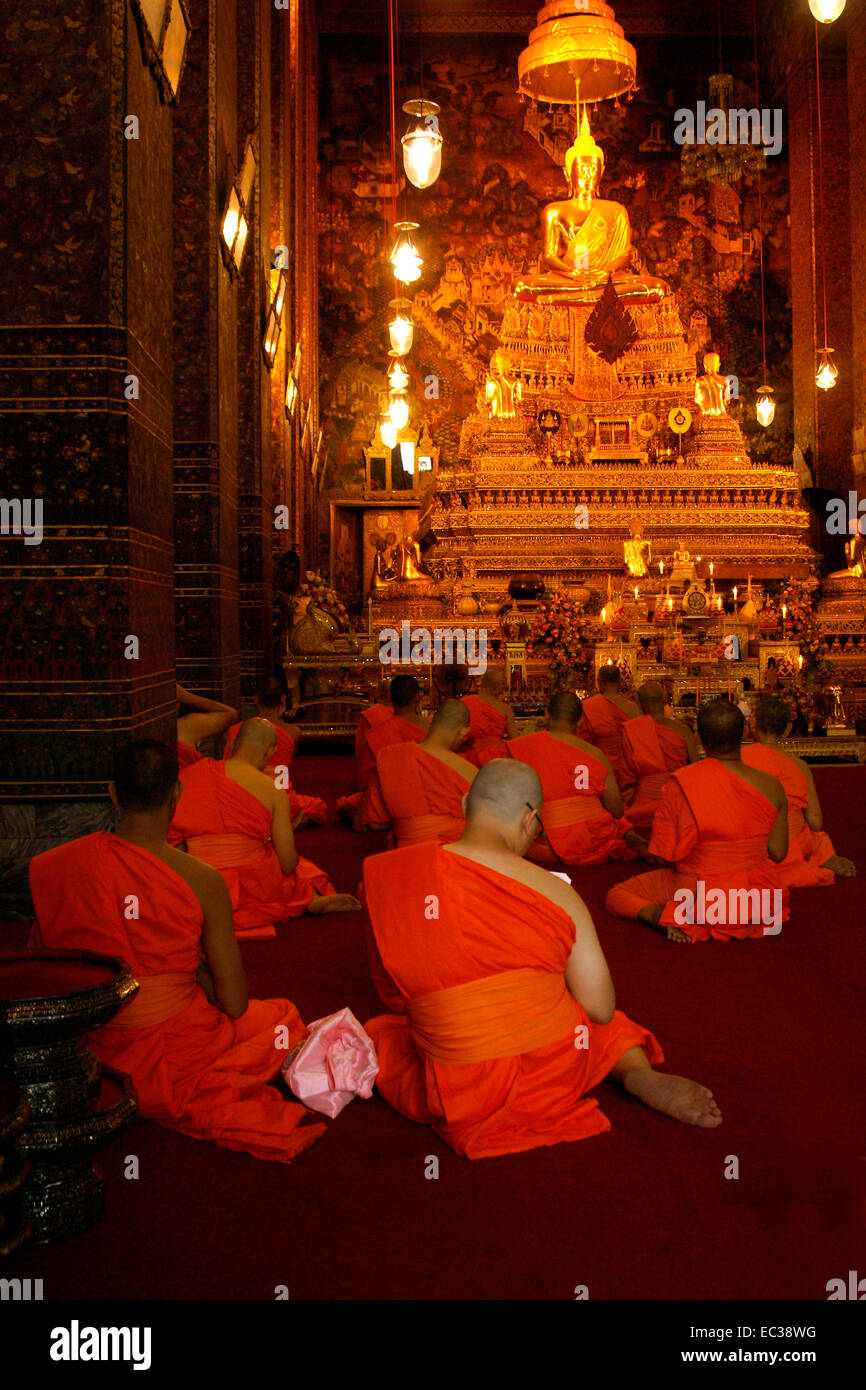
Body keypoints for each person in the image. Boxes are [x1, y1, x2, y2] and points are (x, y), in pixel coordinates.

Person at [362, 759, 722, 1159]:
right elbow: (600, 1010)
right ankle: (636, 1074)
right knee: (602, 1021)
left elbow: (396, 993)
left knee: (386, 1032)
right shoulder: (558, 893)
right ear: (531, 819)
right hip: (550, 1074)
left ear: (465, 804)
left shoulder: (396, 876)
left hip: (452, 1085)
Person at [28, 741, 326, 1163]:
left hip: (94, 1046)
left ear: (112, 793)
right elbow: (235, 1003)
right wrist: (197, 975)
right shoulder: (202, 880)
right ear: (176, 796)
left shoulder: (59, 865)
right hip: (182, 1046)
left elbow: (46, 973)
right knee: (282, 1018)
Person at [605, 701, 790, 943]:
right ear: (745, 733)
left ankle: (658, 915)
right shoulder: (772, 785)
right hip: (756, 899)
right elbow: (778, 853)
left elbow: (668, 856)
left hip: (698, 894)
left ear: (699, 738)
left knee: (617, 895)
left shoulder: (682, 783)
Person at [170, 719, 359, 937]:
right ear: (270, 751)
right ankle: (310, 899)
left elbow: (174, 840)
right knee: (300, 868)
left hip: (200, 879)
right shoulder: (272, 789)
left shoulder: (190, 776)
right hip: (255, 884)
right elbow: (287, 863)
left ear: (231, 743)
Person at [508, 693, 644, 865]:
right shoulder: (595, 754)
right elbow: (616, 810)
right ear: (580, 722)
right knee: (616, 823)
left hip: (545, 844)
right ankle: (631, 838)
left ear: (547, 715)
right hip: (593, 841)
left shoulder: (524, 747)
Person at [741, 696, 856, 883]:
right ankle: (817, 858)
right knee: (818, 837)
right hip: (792, 844)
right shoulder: (800, 766)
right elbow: (816, 821)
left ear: (754, 725)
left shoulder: (740, 760)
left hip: (753, 845)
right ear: (787, 729)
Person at [361, 700, 476, 846]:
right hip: (453, 859)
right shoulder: (470, 772)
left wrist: (411, 827)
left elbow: (376, 824)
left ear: (431, 720)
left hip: (406, 857)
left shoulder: (392, 758)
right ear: (464, 732)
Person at [223, 676, 326, 830]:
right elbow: (283, 773)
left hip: (239, 798)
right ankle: (289, 823)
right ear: (283, 699)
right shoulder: (292, 732)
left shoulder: (235, 731)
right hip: (278, 796)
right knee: (317, 806)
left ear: (255, 699)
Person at [337, 675, 428, 824]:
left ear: (390, 698)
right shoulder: (430, 730)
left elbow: (364, 781)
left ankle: (380, 818)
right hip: (422, 796)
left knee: (345, 804)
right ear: (418, 697)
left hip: (386, 798)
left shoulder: (379, 733)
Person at [619, 681, 698, 829]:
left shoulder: (633, 730)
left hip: (644, 804)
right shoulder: (683, 731)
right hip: (678, 801)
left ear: (639, 704)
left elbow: (626, 777)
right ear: (664, 701)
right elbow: (694, 768)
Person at [577, 665, 640, 782]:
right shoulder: (633, 708)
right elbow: (639, 742)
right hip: (628, 770)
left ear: (599, 682)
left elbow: (581, 742)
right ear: (620, 682)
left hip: (600, 768)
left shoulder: (589, 707)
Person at [460, 670, 517, 767]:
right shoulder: (505, 709)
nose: (502, 690)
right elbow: (515, 739)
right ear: (494, 686)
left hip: (472, 757)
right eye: (501, 686)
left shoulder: (465, 704)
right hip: (499, 756)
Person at [176, 682, 237, 768]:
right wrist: (185, 696)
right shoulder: (185, 727)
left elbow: (230, 714)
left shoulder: (184, 726)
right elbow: (229, 713)